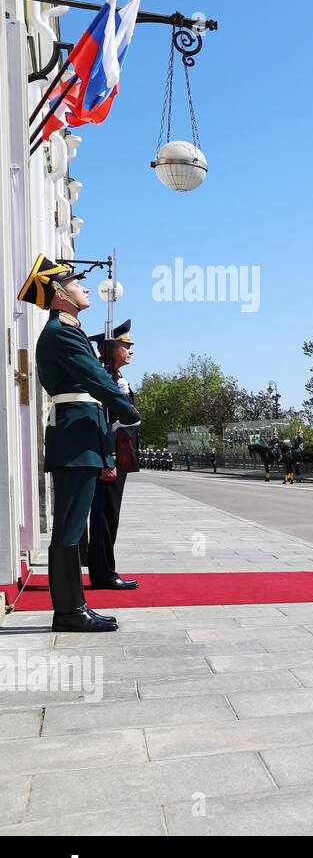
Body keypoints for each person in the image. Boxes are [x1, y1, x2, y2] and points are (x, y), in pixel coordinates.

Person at [20, 255, 140, 632]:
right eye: (76, 282)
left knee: (71, 527)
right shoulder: (61, 332)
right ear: (58, 291)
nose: (84, 286)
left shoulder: (68, 330)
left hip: (81, 434)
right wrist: (128, 411)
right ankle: (69, 612)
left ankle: (74, 607)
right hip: (75, 437)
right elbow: (95, 380)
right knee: (70, 528)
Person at [86, 320, 141, 591]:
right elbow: (102, 423)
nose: (131, 350)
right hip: (110, 455)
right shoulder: (104, 379)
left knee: (109, 514)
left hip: (120, 455)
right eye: (126, 345)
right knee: (103, 515)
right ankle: (103, 573)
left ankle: (104, 569)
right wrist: (107, 458)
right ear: (111, 347)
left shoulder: (116, 378)